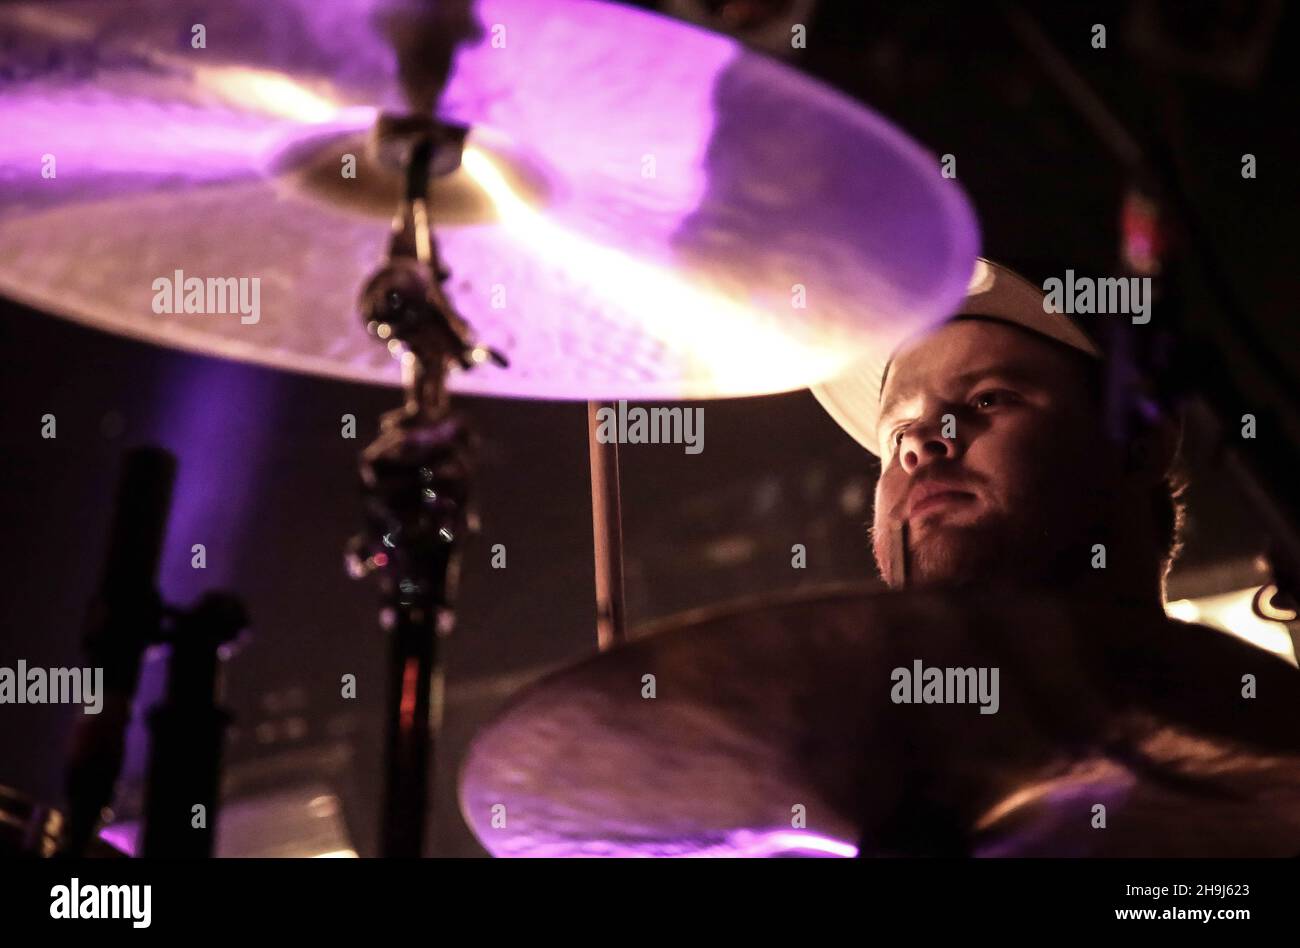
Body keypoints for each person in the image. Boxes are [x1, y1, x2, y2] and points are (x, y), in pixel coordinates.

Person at [811, 258, 1300, 856]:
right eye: (896, 432)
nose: (917, 443)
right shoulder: (818, 782)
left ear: (1138, 444)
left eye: (989, 399)